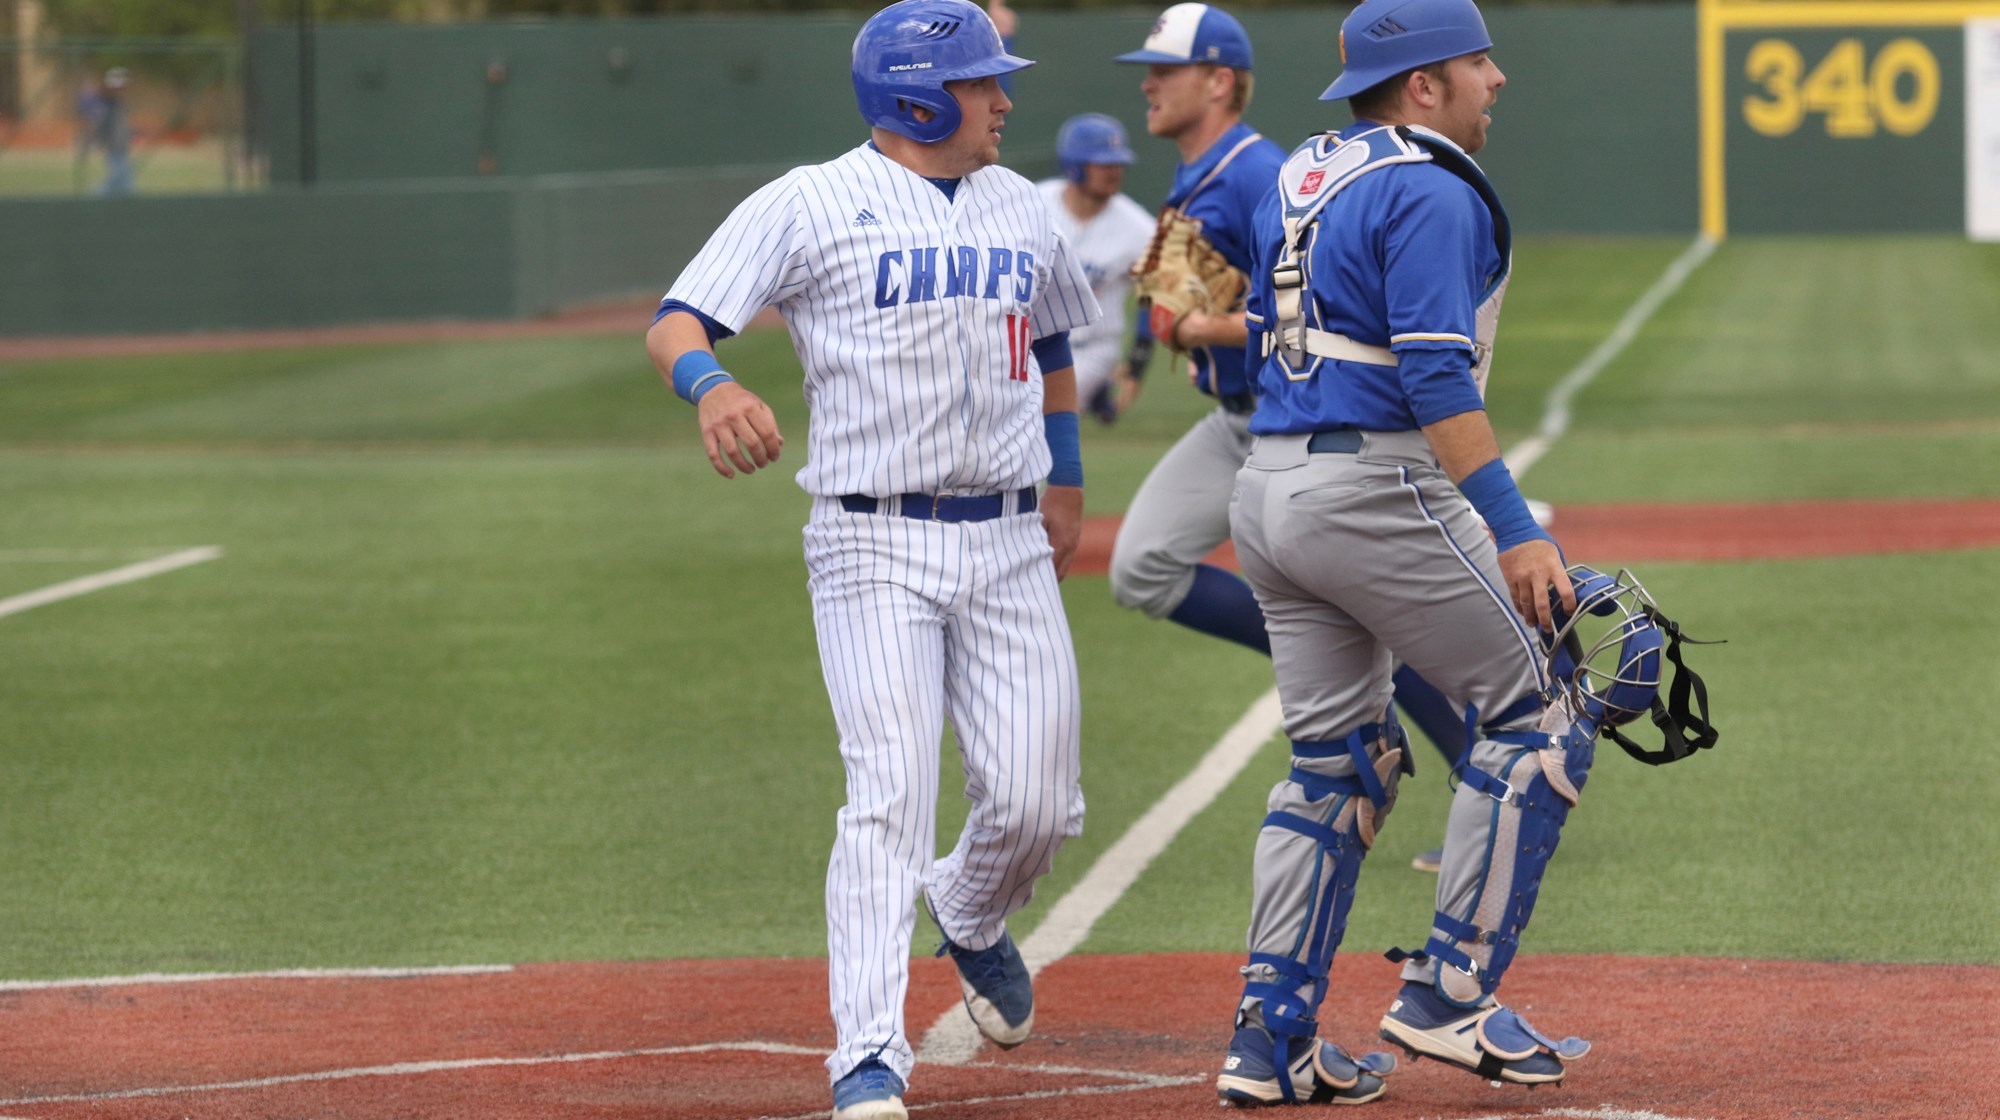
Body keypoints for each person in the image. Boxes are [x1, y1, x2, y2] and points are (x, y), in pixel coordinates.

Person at [644, 4, 1100, 1119]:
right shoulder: (808, 201)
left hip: (1003, 536)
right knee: (887, 793)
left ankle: (972, 911)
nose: (1004, 99)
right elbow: (676, 320)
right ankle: (866, 1054)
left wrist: (1067, 473)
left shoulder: (1022, 205)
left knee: (1038, 800)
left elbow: (1050, 342)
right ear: (917, 99)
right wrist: (714, 385)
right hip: (867, 538)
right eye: (984, 83)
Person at [1213, 0, 1597, 1106]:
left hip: (1268, 487)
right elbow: (1434, 377)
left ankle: (1269, 1039)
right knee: (1543, 707)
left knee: (1335, 761)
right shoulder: (1426, 188)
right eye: (1478, 60)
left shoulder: (1306, 169)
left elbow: (1256, 334)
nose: (1497, 78)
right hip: (1372, 482)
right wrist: (1514, 531)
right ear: (1422, 85)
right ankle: (1447, 995)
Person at [1111, 2, 1467, 868]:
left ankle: (1471, 762)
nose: (1148, 85)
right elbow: (1178, 305)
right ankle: (1367, 683)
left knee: (1327, 595)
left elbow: (1316, 318)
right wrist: (1167, 326)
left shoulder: (1259, 172)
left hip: (1294, 423)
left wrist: (1201, 329)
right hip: (1237, 420)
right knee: (1140, 566)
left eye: (1165, 70)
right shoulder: (1201, 172)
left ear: (1220, 80)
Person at [1036, 113, 1156, 423]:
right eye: (1103, 163)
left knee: (1040, 416)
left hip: (1094, 350)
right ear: (1074, 165)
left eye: (1118, 163)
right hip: (1028, 346)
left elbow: (1153, 296)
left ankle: (1096, 388)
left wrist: (1137, 364)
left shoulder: (1139, 228)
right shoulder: (1033, 203)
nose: (1114, 171)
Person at [89, 67, 134, 196]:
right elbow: (102, 125)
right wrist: (102, 140)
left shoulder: (118, 104)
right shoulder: (108, 104)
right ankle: (95, 195)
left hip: (121, 145)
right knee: (119, 179)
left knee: (124, 179)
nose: (123, 90)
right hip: (114, 145)